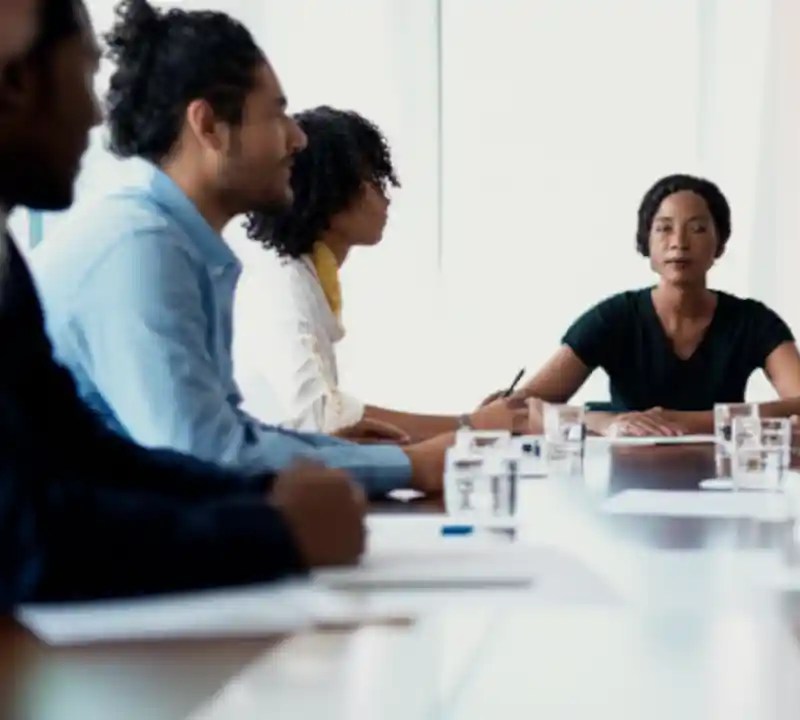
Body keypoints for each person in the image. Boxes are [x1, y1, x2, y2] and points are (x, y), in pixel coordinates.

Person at [29, 0, 511, 493]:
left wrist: (353, 454)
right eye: (277, 113)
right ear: (209, 127)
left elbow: (227, 432)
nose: (298, 138)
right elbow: (207, 456)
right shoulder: (139, 249)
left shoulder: (171, 240)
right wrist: (411, 465)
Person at [0, 0, 365, 607]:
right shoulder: (135, 243)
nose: (96, 114)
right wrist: (274, 531)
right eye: (83, 74)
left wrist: (265, 496)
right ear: (16, 78)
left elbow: (82, 452)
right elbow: (23, 537)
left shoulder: (9, 261)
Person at [502, 173, 800, 437]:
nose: (679, 242)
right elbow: (518, 407)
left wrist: (691, 421)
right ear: (645, 243)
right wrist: (602, 421)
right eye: (664, 228)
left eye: (698, 229)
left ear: (720, 243)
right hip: (626, 477)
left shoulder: (751, 320)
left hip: (721, 477)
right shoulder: (614, 317)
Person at [235, 106, 489, 442]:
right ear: (331, 191)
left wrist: (473, 423)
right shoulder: (281, 288)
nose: (386, 197)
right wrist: (471, 424)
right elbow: (325, 419)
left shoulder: (306, 279)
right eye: (373, 180)